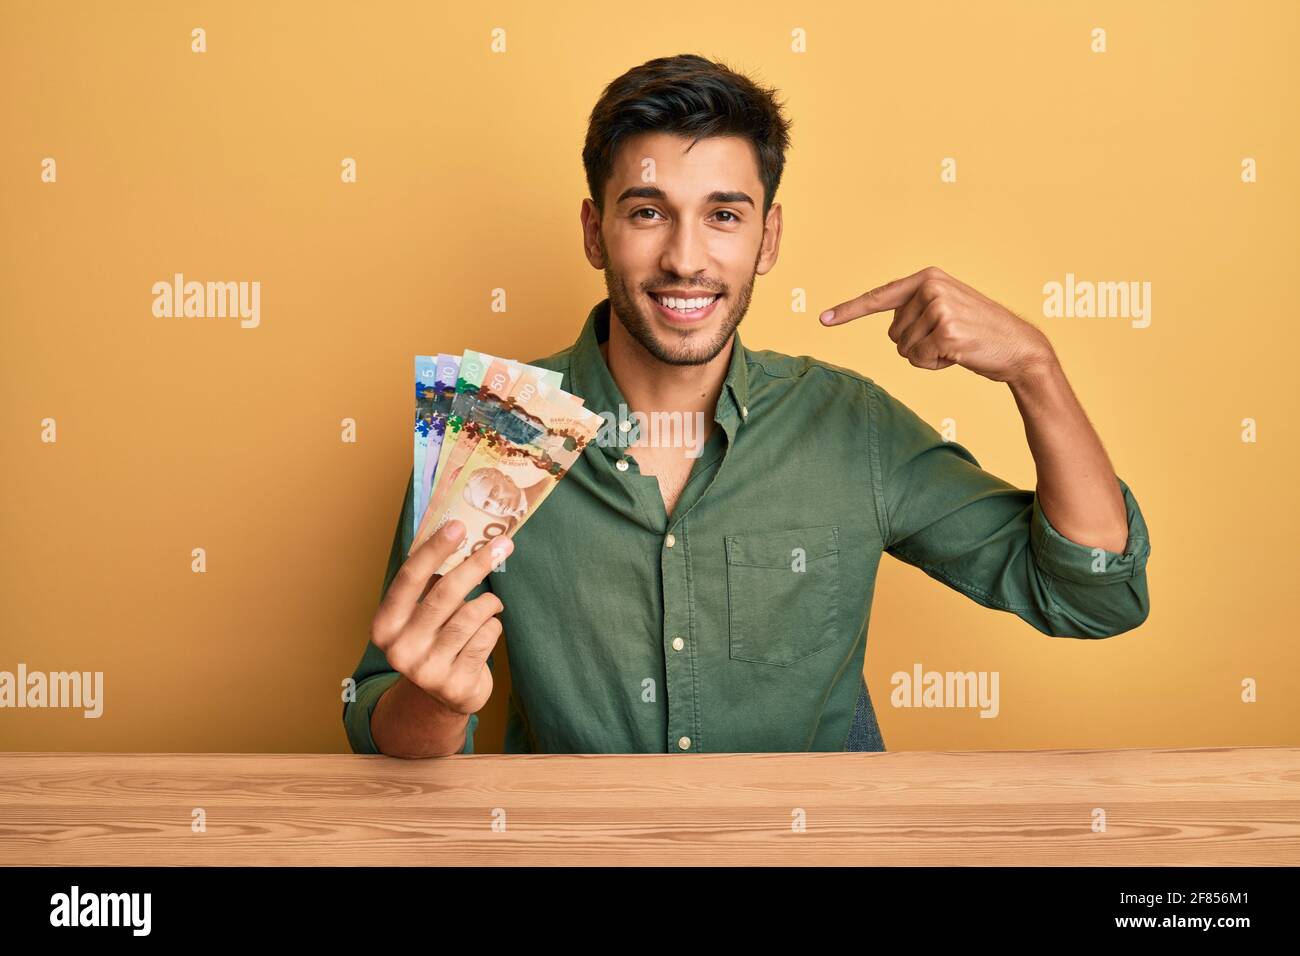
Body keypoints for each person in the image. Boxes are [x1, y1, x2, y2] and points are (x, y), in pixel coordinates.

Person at [344, 53, 1152, 758]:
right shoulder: (492, 429)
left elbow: (1091, 596)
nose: (686, 258)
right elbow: (377, 720)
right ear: (596, 232)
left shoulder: (850, 428)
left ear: (767, 240)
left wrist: (1035, 369)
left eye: (723, 216)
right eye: (648, 212)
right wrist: (438, 705)